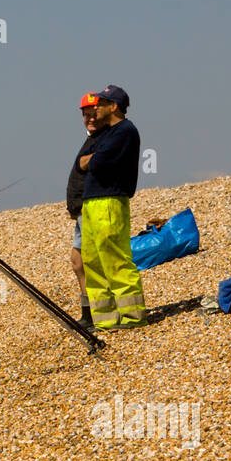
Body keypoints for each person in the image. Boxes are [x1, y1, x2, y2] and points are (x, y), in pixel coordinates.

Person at [77, 85, 147, 329]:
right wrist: (90, 160)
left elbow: (98, 162)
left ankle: (133, 315)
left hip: (110, 199)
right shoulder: (104, 133)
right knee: (93, 260)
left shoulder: (124, 131)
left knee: (115, 258)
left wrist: (91, 160)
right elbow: (81, 162)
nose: (95, 108)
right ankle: (105, 319)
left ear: (114, 106)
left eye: (101, 103)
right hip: (92, 201)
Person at [66, 93, 103, 326]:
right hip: (81, 210)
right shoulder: (90, 138)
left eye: (94, 114)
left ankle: (96, 313)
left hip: (92, 207)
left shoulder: (105, 138)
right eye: (86, 114)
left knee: (90, 261)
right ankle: (87, 311)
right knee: (77, 260)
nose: (90, 118)